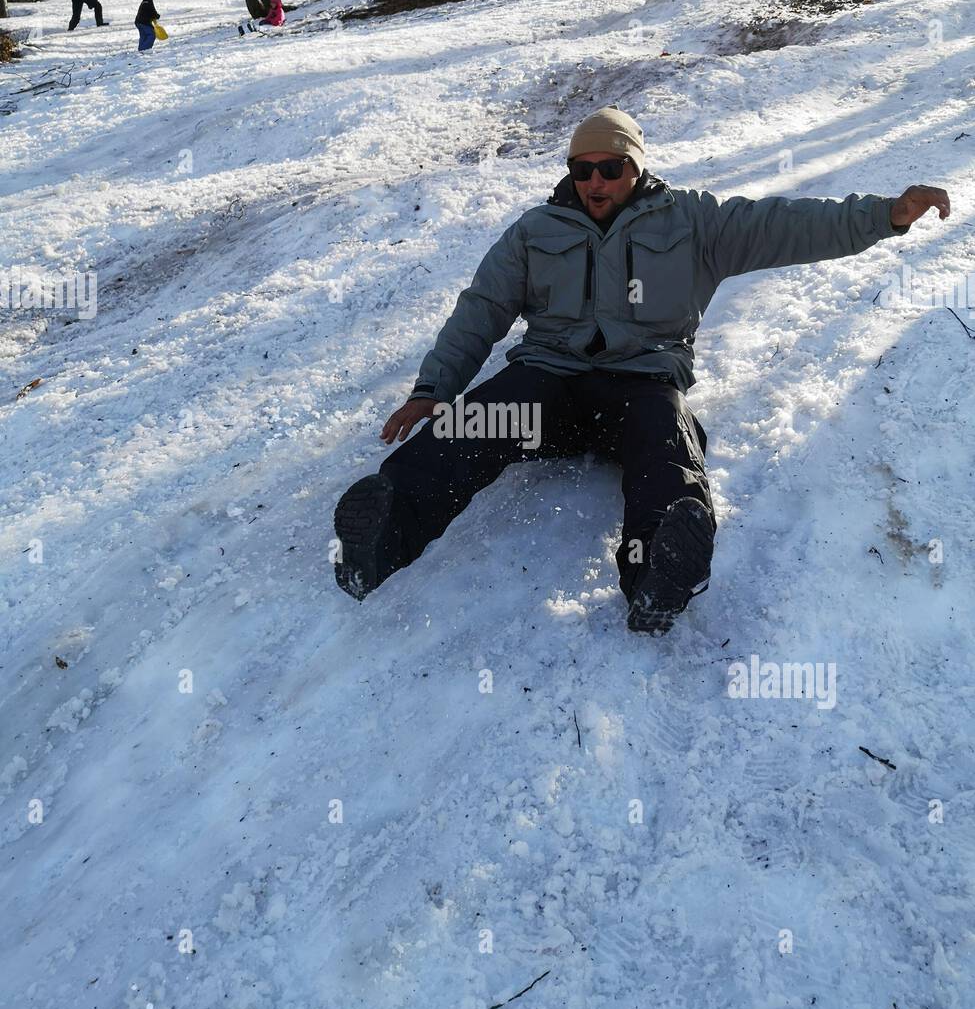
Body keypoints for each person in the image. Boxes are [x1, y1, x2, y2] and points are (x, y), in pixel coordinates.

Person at [333, 106, 951, 634]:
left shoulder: (692, 223)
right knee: (471, 426)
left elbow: (784, 225)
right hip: (549, 385)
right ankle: (378, 542)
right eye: (582, 169)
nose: (595, 181)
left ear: (636, 167)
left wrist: (885, 216)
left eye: (610, 167)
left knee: (666, 450)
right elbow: (483, 309)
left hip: (641, 384)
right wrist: (432, 390)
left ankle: (658, 570)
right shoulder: (536, 231)